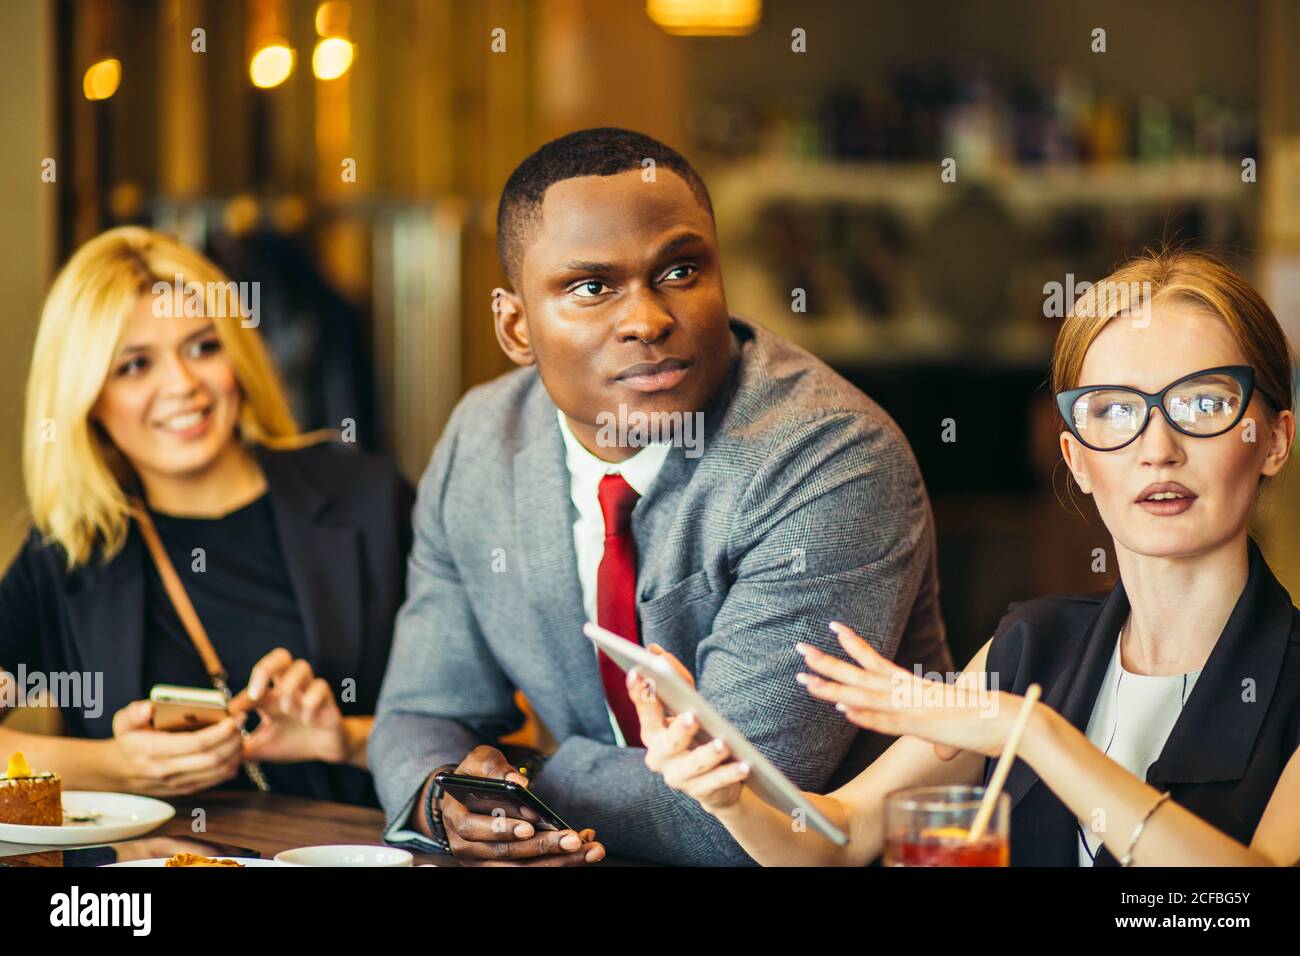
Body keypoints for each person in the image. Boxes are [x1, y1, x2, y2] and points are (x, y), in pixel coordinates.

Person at [370, 127, 952, 866]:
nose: (647, 319)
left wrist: (519, 778)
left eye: (680, 271)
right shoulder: (482, 442)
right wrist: (440, 797)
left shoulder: (829, 458)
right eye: (591, 287)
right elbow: (421, 712)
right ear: (515, 325)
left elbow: (736, 811)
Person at [633, 248, 1300, 866]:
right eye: (1114, 411)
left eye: (1203, 403)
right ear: (1078, 460)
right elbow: (837, 838)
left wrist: (1034, 731)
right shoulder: (1032, 644)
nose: (1158, 447)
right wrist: (726, 794)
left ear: (1274, 440)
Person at [0, 227, 412, 806]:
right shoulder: (71, 548)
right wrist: (117, 768)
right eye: (135, 366)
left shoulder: (370, 500)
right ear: (88, 399)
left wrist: (341, 739)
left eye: (202, 347)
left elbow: (503, 731)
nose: (183, 385)